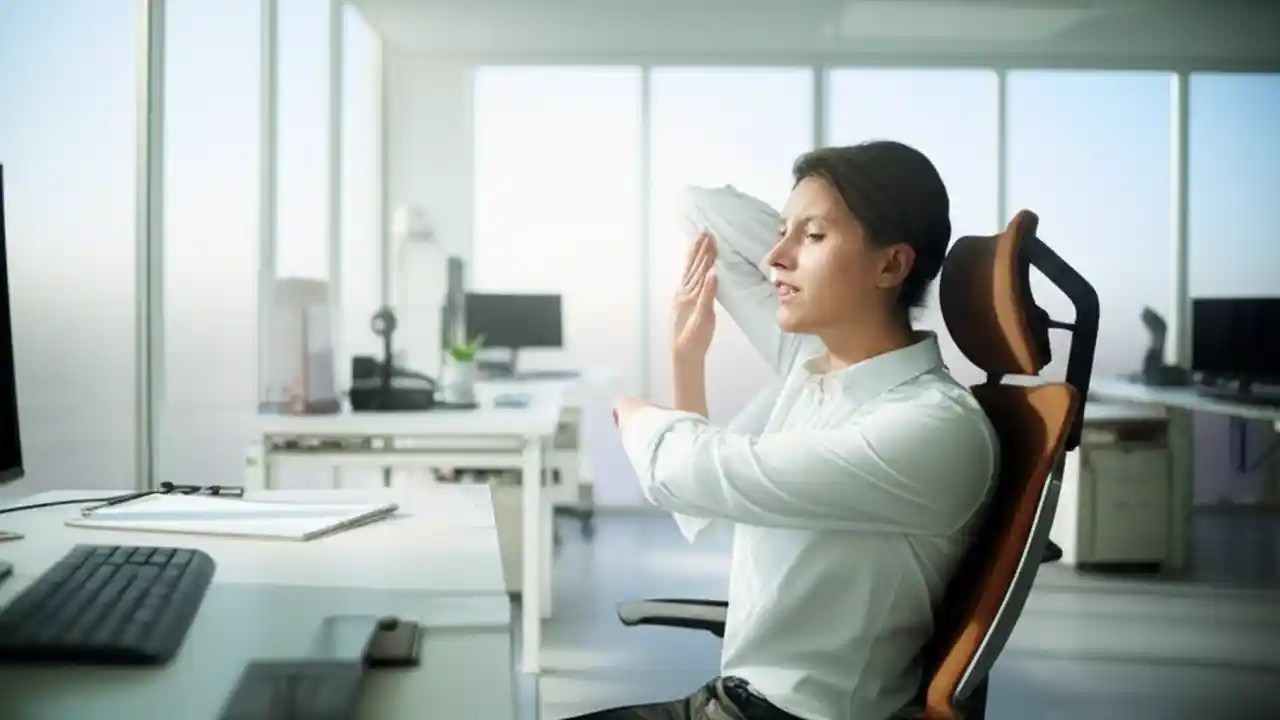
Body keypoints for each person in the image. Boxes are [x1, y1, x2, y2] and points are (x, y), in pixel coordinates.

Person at [571, 141, 1000, 720]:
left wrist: (635, 411)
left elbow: (688, 472)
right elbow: (697, 208)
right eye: (779, 232)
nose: (775, 257)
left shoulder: (932, 429)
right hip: (729, 702)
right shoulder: (815, 369)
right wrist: (685, 358)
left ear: (892, 265)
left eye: (813, 237)